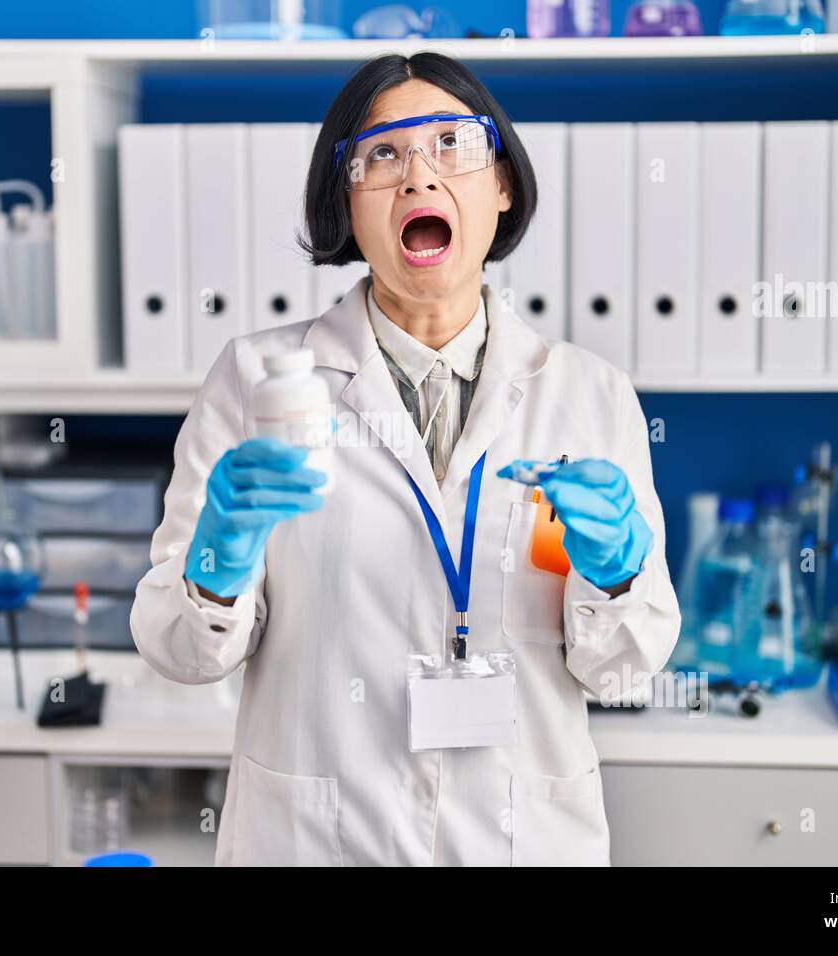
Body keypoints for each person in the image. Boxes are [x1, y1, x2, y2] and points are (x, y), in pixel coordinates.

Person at [131, 51, 680, 866]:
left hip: (521, 839)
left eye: (453, 144)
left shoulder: (589, 397)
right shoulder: (255, 381)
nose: (419, 178)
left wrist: (617, 576)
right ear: (347, 206)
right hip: (317, 838)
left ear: (501, 185)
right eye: (381, 154)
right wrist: (214, 565)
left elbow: (625, 671)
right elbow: (176, 650)